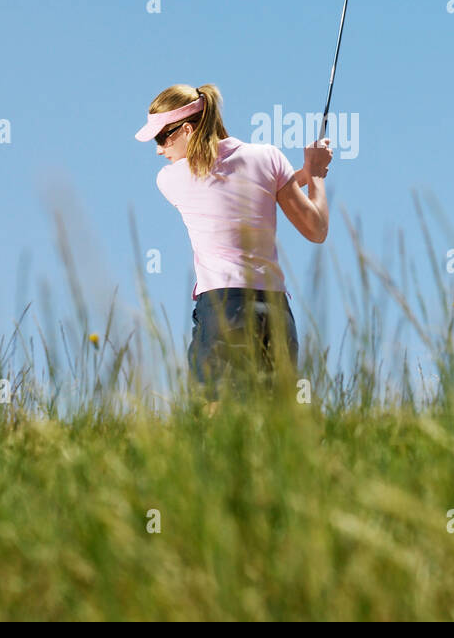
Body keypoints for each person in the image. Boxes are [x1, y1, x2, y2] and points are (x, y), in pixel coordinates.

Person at [135, 83, 332, 403]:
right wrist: (315, 175)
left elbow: (233, 189)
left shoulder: (170, 179)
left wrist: (301, 175)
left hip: (223, 309)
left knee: (217, 420)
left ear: (186, 129)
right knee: (277, 426)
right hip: (275, 311)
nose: (159, 149)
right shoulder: (269, 158)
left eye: (161, 138)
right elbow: (315, 228)